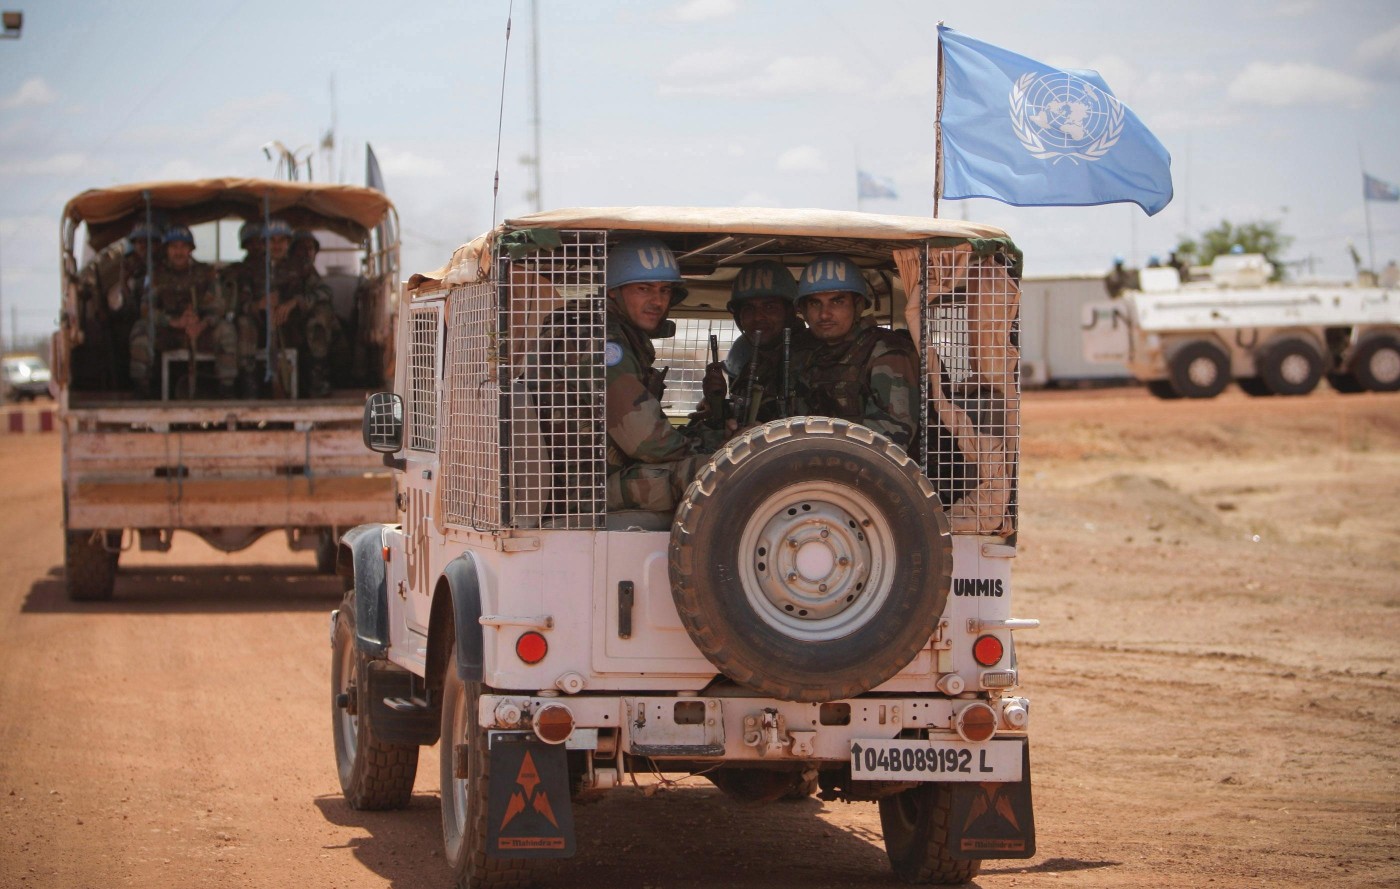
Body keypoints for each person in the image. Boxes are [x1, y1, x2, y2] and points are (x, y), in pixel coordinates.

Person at [600, 238, 717, 511]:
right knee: (730, 470)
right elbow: (648, 443)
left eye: (665, 290)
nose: (657, 301)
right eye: (644, 289)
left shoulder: (607, 332)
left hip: (600, 476)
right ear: (613, 291)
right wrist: (715, 446)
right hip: (587, 489)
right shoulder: (604, 342)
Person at [789, 253, 920, 453]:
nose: (824, 314)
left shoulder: (887, 354)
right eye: (815, 303)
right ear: (804, 311)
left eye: (837, 301)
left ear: (858, 305)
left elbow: (890, 442)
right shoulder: (805, 355)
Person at [694, 259, 809, 432]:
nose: (758, 317)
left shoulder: (812, 356)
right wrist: (717, 404)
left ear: (790, 312)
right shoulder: (750, 358)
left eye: (769, 307)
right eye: (749, 308)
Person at [128, 225, 238, 399]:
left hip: (200, 332)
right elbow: (145, 309)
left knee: (226, 330)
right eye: (173, 247)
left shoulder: (205, 273)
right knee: (141, 330)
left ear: (190, 249)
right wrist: (173, 321)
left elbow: (218, 308)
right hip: (169, 332)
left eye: (183, 246)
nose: (178, 252)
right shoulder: (156, 274)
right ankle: (143, 392)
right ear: (167, 250)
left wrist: (202, 323)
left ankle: (227, 390)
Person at [76, 221, 158, 389]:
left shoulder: (164, 267)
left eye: (149, 243)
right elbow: (119, 301)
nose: (144, 247)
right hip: (132, 320)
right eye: (140, 243)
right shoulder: (123, 266)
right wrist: (124, 280)